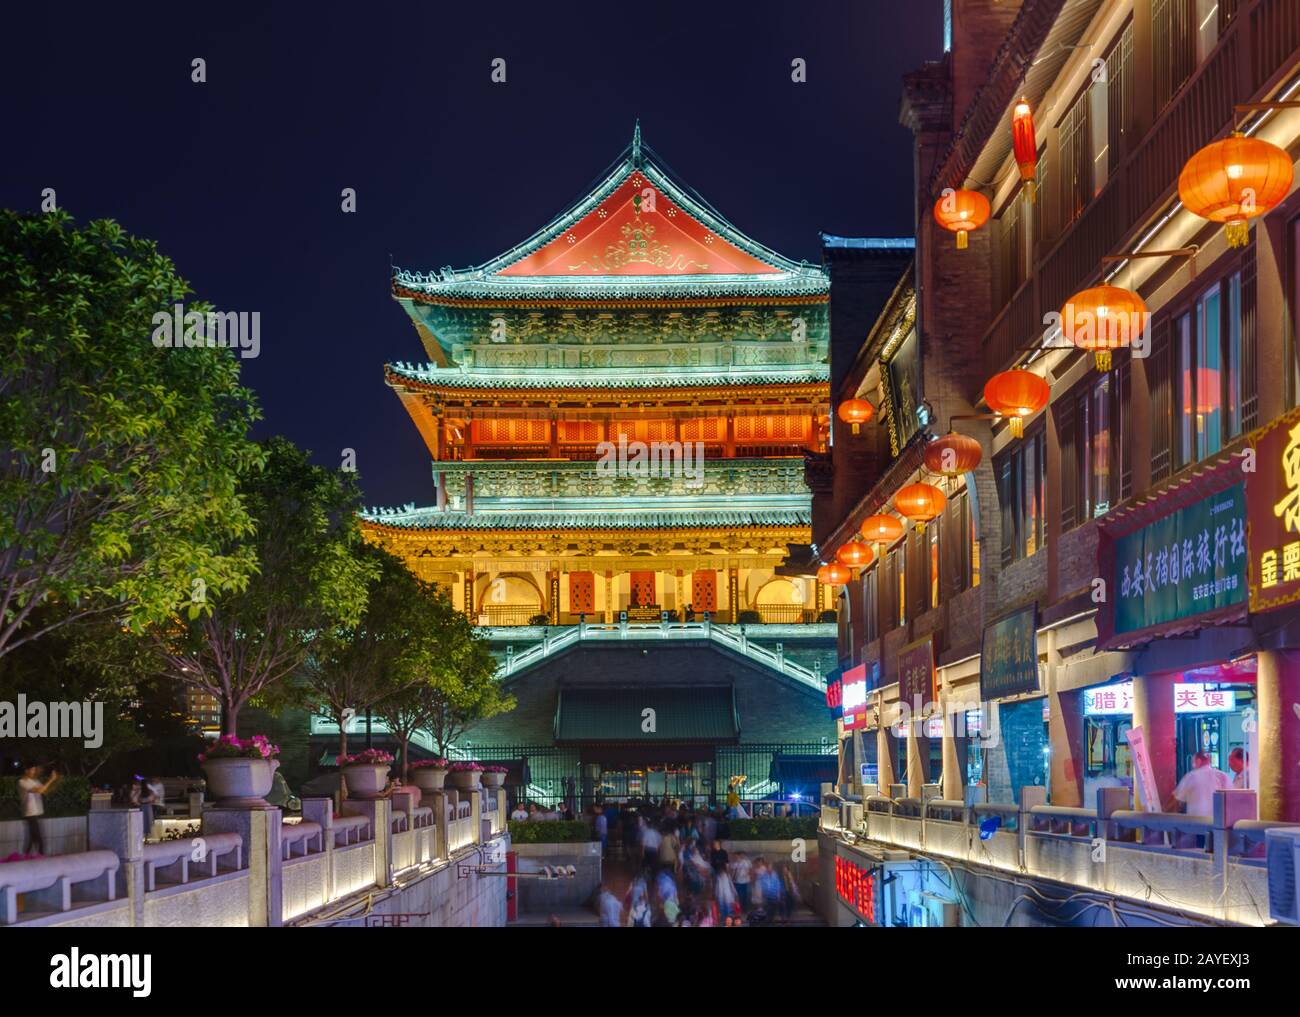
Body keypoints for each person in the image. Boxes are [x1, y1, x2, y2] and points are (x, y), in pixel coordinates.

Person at [1170, 751, 1231, 824]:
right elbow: (1232, 798)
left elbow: (1177, 798)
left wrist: (1165, 814)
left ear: (1198, 761)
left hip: (1197, 823)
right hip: (1218, 823)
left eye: (1193, 761)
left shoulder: (1191, 776)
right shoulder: (1223, 776)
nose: (1193, 764)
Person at [18, 765, 59, 855]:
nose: (34, 772)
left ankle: (25, 856)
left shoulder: (35, 781)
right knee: (38, 838)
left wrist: (54, 780)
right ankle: (40, 856)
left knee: (33, 837)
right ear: (26, 770)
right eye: (32, 770)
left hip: (37, 812)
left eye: (35, 770)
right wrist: (51, 779)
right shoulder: (22, 782)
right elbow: (40, 790)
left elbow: (45, 790)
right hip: (30, 813)